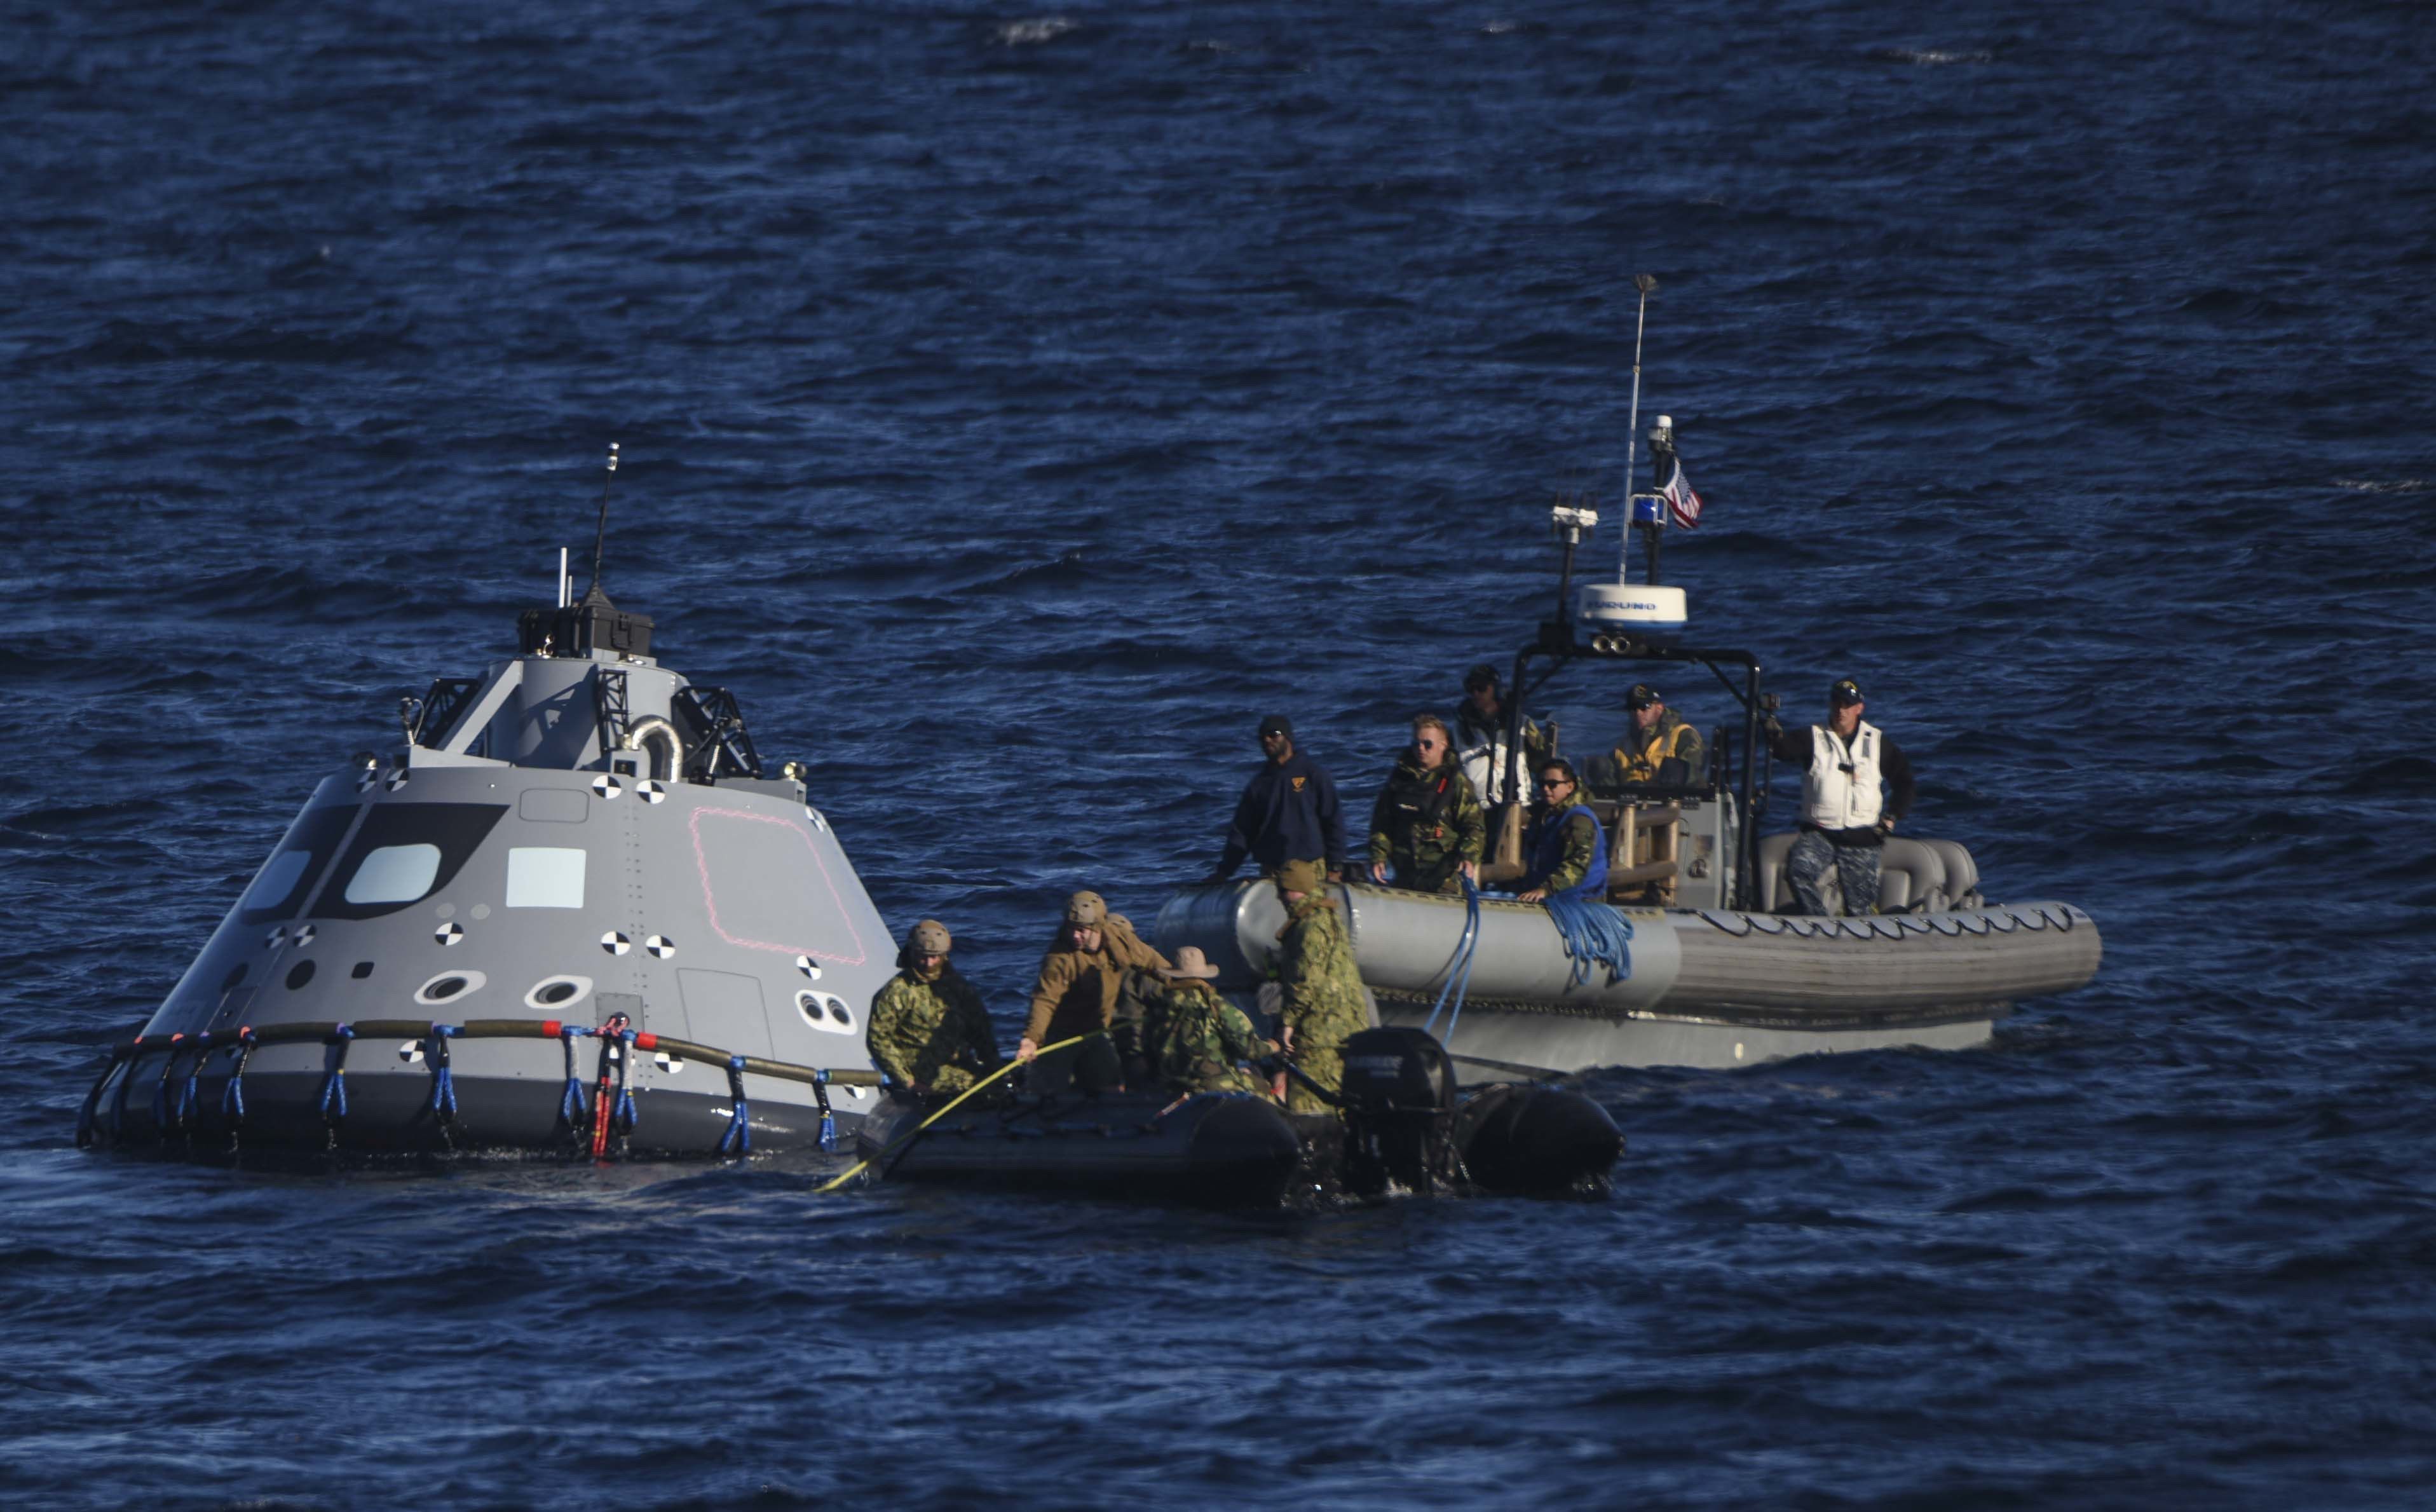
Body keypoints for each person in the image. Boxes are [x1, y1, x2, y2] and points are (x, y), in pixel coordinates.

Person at [1766, 676, 1916, 916]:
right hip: (1820, 833)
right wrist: (1772, 733)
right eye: (1837, 703)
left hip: (1863, 837)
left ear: (1859, 708)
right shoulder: (1813, 737)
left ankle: (1860, 932)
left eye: (1847, 705)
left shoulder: (1877, 742)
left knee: (1860, 907)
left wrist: (1892, 817)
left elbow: (1905, 781)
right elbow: (1784, 750)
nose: (1841, 710)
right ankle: (1819, 923)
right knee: (1798, 870)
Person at [1019, 890, 1171, 1087]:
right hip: (1062, 1034)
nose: (1075, 935)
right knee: (1047, 1091)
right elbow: (1045, 999)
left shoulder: (1119, 939)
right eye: (1071, 928)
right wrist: (1031, 1039)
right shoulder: (1060, 958)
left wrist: (1190, 984)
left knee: (1111, 1084)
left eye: (1081, 930)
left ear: (1097, 927)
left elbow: (1154, 964)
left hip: (1096, 1031)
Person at [1271, 858, 1369, 1117]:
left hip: (1321, 1030)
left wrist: (1288, 1023)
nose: (1280, 898)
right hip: (1345, 1025)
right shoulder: (1328, 917)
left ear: (1295, 890)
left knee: (1309, 1102)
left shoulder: (1310, 926)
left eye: (1283, 890)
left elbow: (1306, 980)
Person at [864, 919, 1001, 1097]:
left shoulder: (958, 988)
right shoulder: (898, 990)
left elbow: (981, 1031)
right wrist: (908, 1081)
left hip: (959, 1063)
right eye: (923, 957)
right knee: (977, 1086)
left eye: (934, 957)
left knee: (1005, 1084)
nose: (929, 963)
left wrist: (995, 1068)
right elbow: (878, 1038)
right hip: (919, 1071)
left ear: (944, 956)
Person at [1208, 714, 1347, 882]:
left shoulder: (1314, 775)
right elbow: (1243, 832)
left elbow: (1333, 820)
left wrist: (1335, 865)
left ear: (1288, 737)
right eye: (1262, 737)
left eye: (1273, 734)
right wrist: (1224, 871)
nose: (1267, 740)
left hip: (1309, 869)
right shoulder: (1259, 785)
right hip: (1271, 871)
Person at [1366, 714, 1485, 894]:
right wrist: (1378, 857)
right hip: (1406, 873)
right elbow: (1382, 823)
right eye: (1416, 744)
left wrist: (1468, 856)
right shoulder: (1399, 781)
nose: (1421, 749)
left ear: (1443, 745)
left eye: (1427, 744)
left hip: (1444, 878)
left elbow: (1474, 826)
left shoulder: (1457, 783)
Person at [1139, 946, 1279, 1098]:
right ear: (1204, 975)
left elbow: (1147, 1049)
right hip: (1211, 1085)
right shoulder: (1216, 1006)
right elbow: (1250, 1049)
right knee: (1264, 1089)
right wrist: (1272, 1046)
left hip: (1171, 1086)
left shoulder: (1158, 1007)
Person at [1516, 758, 1609, 904]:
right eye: (1542, 784)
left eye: (1552, 784)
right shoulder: (1546, 814)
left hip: (1579, 902)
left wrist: (1546, 889)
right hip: (1555, 897)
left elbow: (1579, 862)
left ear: (1570, 787)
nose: (1546, 789)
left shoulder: (1579, 819)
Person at [1451, 664, 1545, 808]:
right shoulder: (1459, 729)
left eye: (1481, 688)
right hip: (1476, 810)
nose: (1476, 693)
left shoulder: (1521, 723)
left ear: (1495, 689)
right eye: (1471, 689)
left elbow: (1542, 760)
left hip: (1516, 807)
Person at [1586, 683, 1706, 795]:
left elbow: (1694, 769)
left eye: (1644, 707)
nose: (1638, 713)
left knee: (1674, 768)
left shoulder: (1684, 734)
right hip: (1630, 807)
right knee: (1600, 767)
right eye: (1633, 708)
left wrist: (1675, 776)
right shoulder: (1621, 747)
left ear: (1659, 708)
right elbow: (1610, 787)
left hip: (1675, 806)